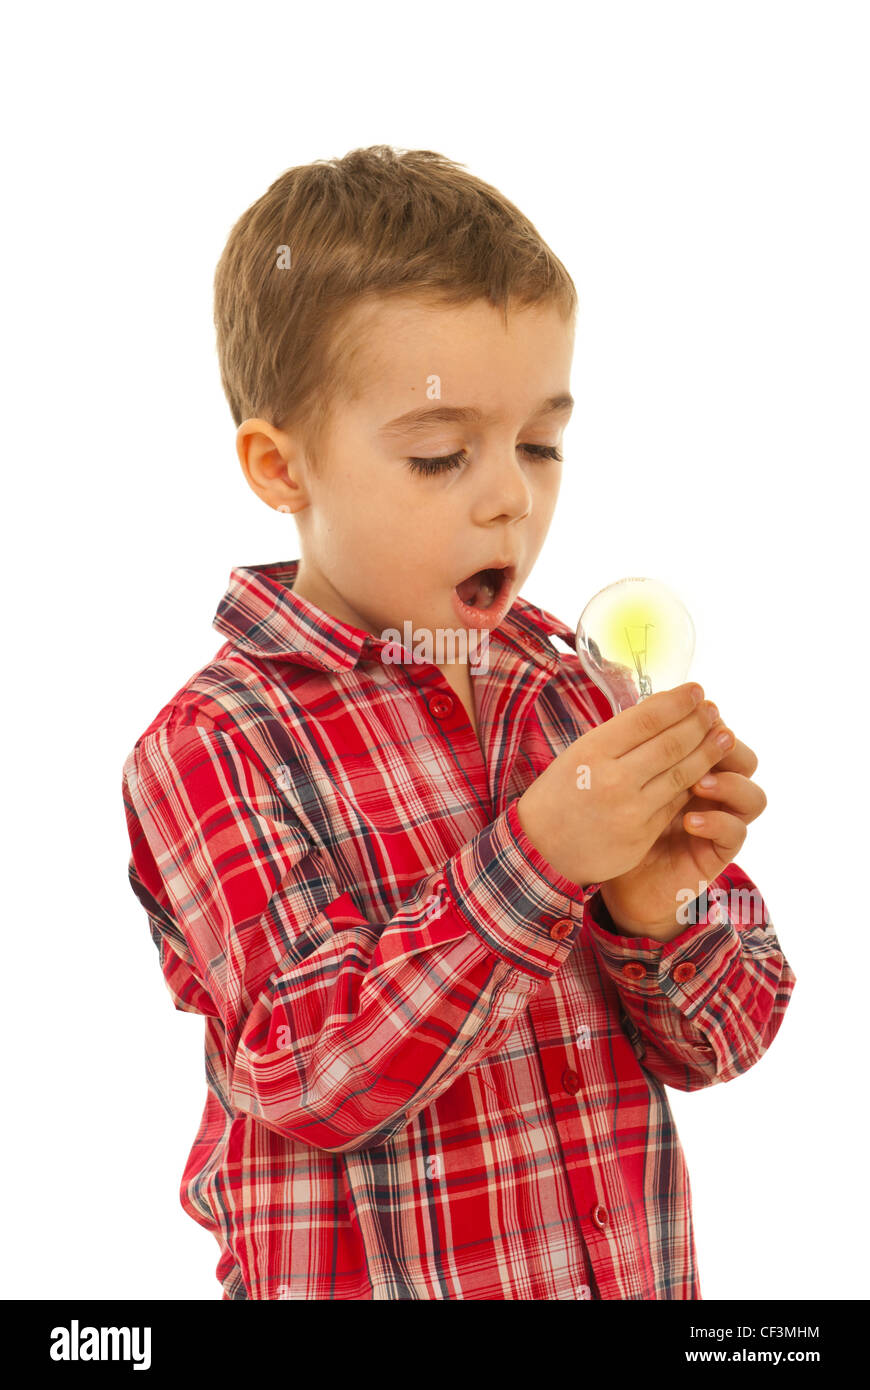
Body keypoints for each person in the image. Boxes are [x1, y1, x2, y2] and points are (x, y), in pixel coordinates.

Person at [121, 145, 795, 1300]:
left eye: (541, 442)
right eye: (443, 454)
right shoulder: (214, 745)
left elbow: (726, 1037)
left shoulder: (579, 693)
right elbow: (315, 1071)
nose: (511, 496)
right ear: (282, 467)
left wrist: (653, 905)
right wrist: (538, 864)